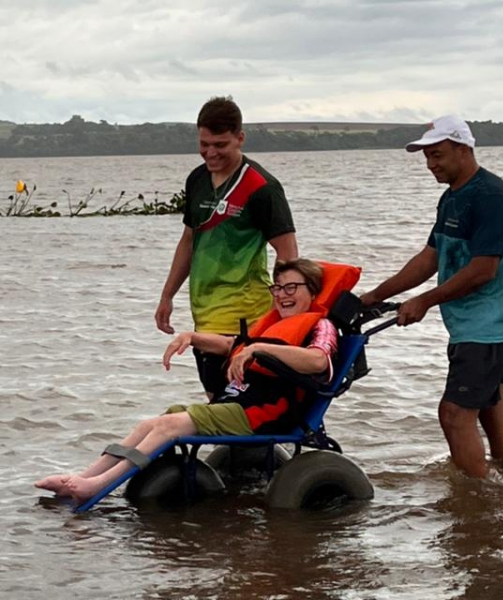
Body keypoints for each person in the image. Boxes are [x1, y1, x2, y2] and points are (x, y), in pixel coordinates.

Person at [37, 259, 341, 501]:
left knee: (170, 427)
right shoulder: (274, 324)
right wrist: (191, 336)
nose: (283, 295)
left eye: (292, 288)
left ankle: (97, 486)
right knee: (152, 423)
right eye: (278, 289)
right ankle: (83, 478)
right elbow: (231, 344)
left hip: (267, 414)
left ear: (312, 291)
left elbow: (318, 360)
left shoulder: (321, 325)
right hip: (238, 405)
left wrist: (258, 349)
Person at [359, 115, 503, 479]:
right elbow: (430, 257)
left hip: (492, 325)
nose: (430, 164)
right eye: (426, 157)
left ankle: (476, 500)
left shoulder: (490, 196)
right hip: (483, 325)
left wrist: (424, 301)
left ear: (463, 148)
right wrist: (372, 297)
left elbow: (484, 269)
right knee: (494, 410)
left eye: (437, 155)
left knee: (454, 414)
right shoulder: (452, 198)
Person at [155, 96, 298, 399]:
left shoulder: (262, 187)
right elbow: (189, 241)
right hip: (204, 315)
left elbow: (288, 254)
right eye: (204, 143)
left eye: (219, 145)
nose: (210, 152)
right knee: (215, 402)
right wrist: (167, 296)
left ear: (240, 138)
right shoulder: (197, 179)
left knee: (240, 410)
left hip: (246, 315)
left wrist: (282, 308)